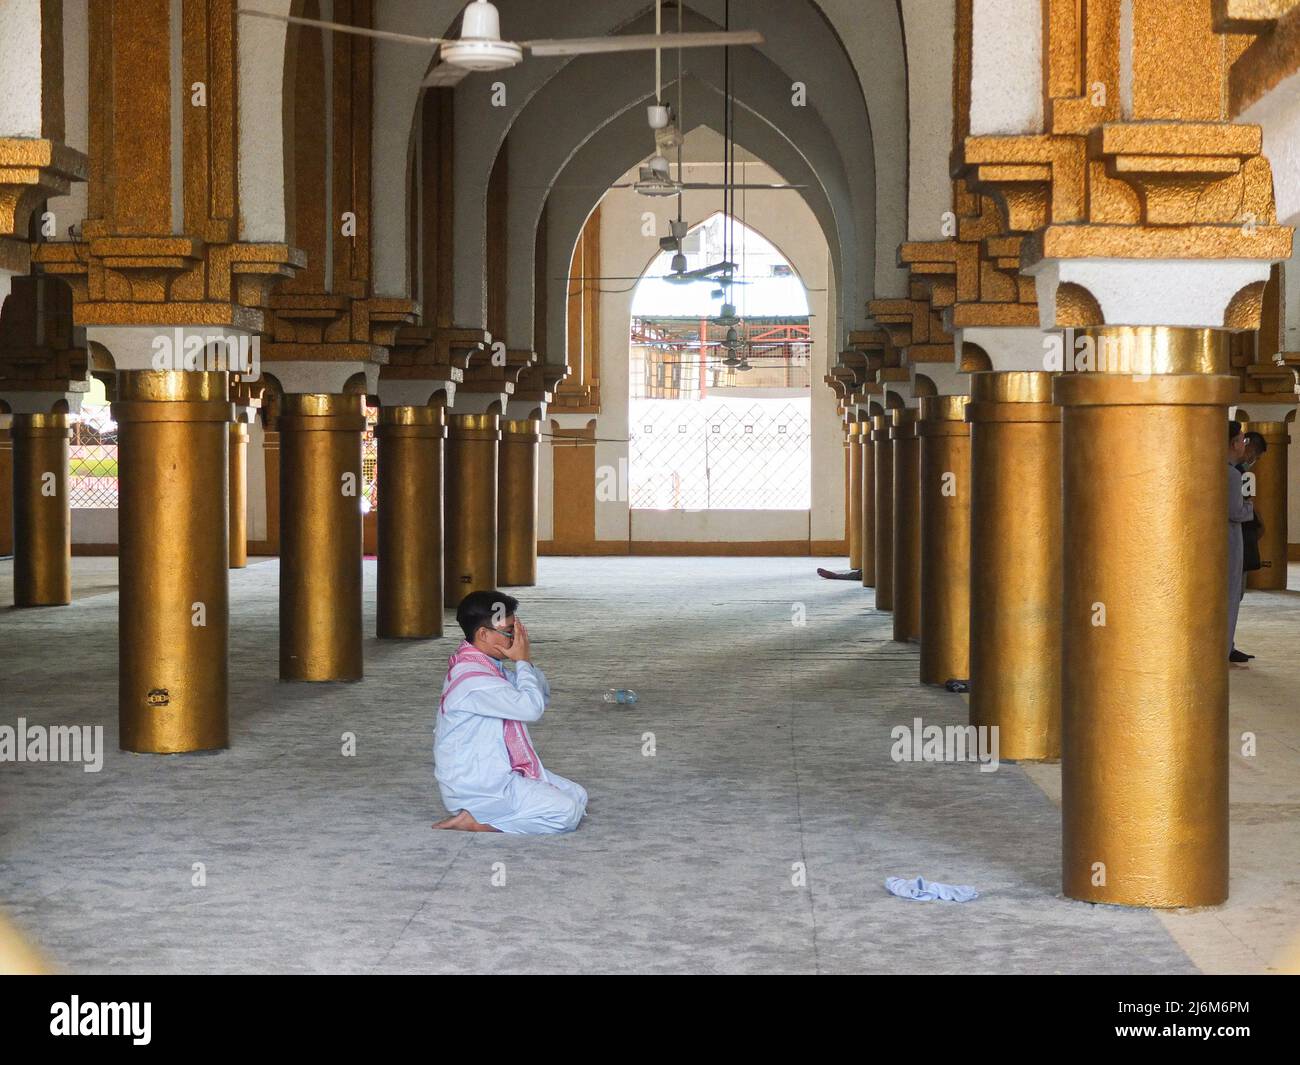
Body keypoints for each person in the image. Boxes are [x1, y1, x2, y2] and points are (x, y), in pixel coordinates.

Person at [432, 591, 588, 834]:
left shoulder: (486, 667)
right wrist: (522, 661)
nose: (516, 638)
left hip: (498, 773)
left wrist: (525, 662)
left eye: (517, 630)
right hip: (480, 787)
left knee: (579, 796)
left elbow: (541, 695)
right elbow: (531, 708)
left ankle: (498, 814)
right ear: (483, 634)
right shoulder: (474, 680)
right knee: (567, 813)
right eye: (509, 632)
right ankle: (480, 821)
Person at [1227, 422, 1254, 664]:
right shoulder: (1232, 475)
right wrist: (1250, 507)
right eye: (1242, 441)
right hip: (1229, 540)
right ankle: (1224, 647)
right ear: (1234, 443)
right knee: (1231, 594)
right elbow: (1235, 512)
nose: (1244, 446)